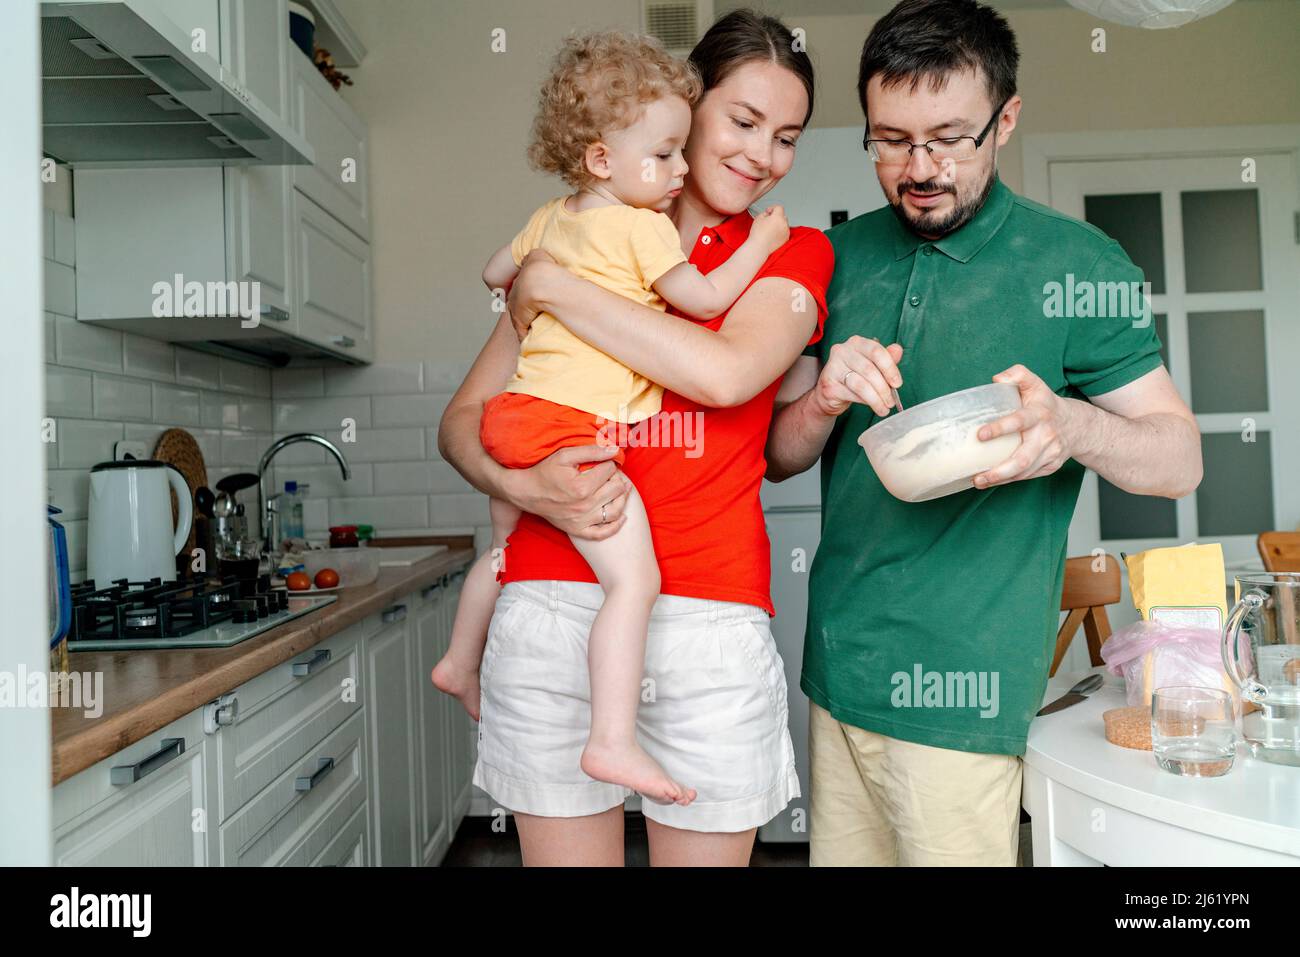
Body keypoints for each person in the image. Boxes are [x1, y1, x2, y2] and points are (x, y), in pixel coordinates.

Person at [766, 0, 1202, 866]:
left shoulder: (1078, 265)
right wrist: (819, 403)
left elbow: (1179, 458)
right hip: (837, 674)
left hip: (965, 697)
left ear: (1005, 119)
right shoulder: (834, 258)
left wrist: (1070, 423)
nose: (918, 168)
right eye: (890, 139)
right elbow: (779, 460)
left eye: (948, 138)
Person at [438, 9, 833, 865]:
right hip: (549, 600)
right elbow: (464, 423)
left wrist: (556, 289)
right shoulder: (577, 228)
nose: (764, 155)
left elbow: (727, 373)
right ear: (685, 111)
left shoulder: (790, 251)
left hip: (708, 620)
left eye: (788, 137)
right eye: (744, 122)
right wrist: (525, 486)